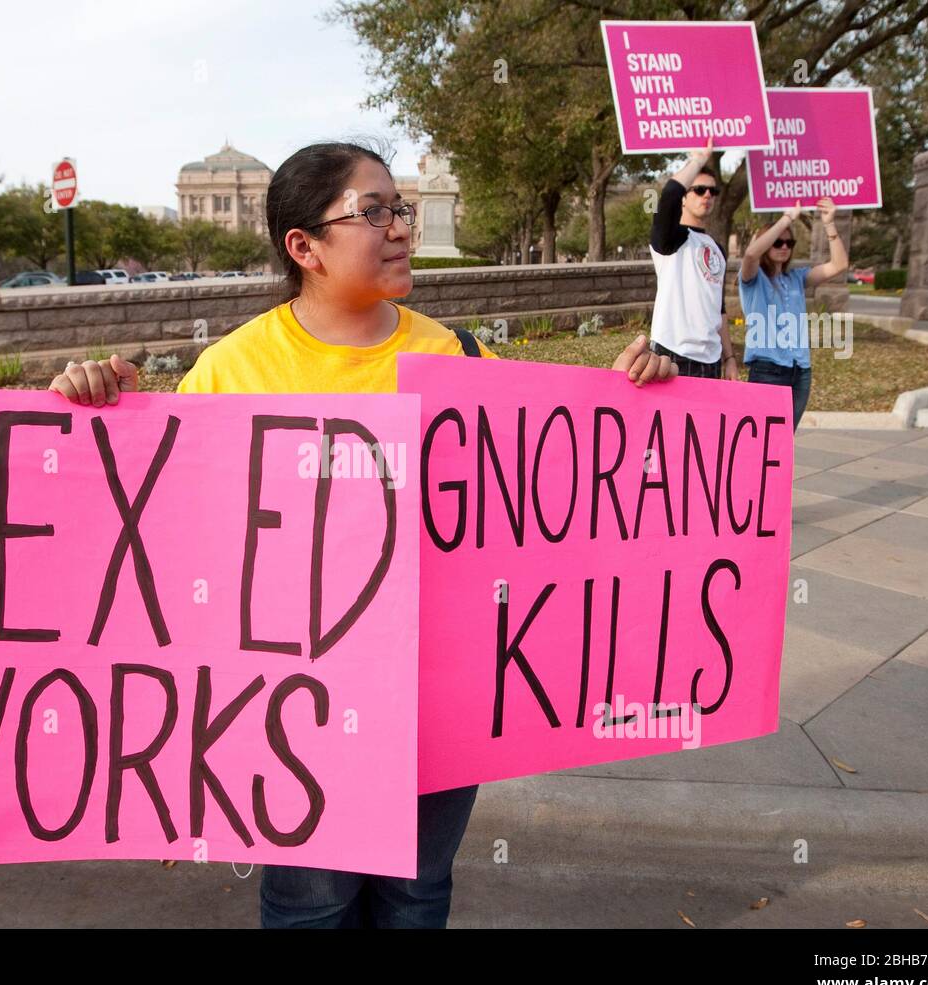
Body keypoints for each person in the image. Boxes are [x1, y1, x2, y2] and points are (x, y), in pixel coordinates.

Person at [49, 141, 677, 928]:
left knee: (417, 893)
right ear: (303, 247)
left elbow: (545, 499)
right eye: (372, 212)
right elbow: (162, 566)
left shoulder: (454, 355)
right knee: (312, 903)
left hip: (435, 694)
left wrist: (636, 403)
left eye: (400, 208)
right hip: (289, 708)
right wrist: (83, 419)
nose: (401, 229)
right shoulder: (226, 374)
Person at [738, 196, 849, 430]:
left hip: (800, 372)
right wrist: (787, 218)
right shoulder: (753, 279)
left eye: (789, 243)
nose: (784, 247)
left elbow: (838, 265)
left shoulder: (796, 278)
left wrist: (829, 223)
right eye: (777, 242)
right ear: (766, 244)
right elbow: (750, 255)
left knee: (784, 442)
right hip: (768, 370)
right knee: (762, 441)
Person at [648, 137, 738, 381]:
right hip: (672, 354)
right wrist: (697, 160)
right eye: (699, 190)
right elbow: (668, 196)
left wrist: (729, 358)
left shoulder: (716, 248)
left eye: (713, 191)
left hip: (711, 358)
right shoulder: (671, 238)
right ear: (685, 198)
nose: (707, 195)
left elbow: (719, 310)